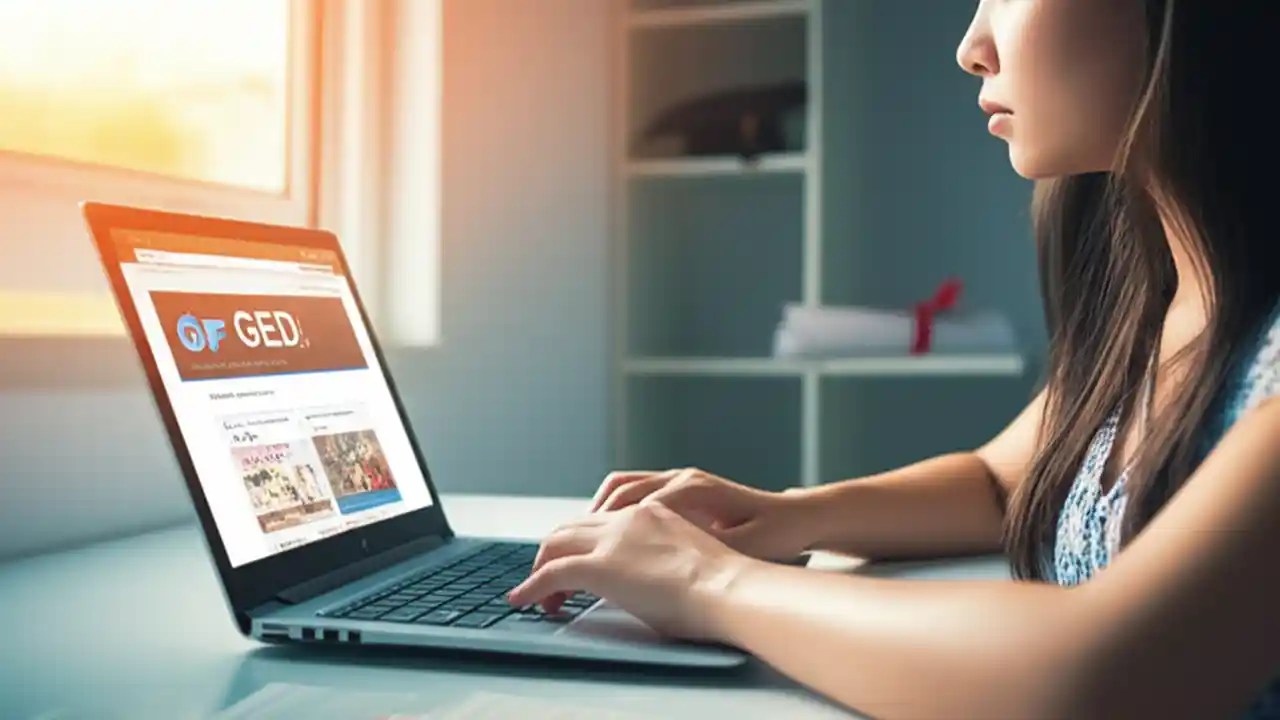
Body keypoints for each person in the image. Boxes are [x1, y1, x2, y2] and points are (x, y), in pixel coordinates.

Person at [508, 1, 1280, 717]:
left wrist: (709, 582)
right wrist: (788, 513)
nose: (971, 49)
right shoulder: (1159, 306)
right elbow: (999, 483)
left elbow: (1100, 672)